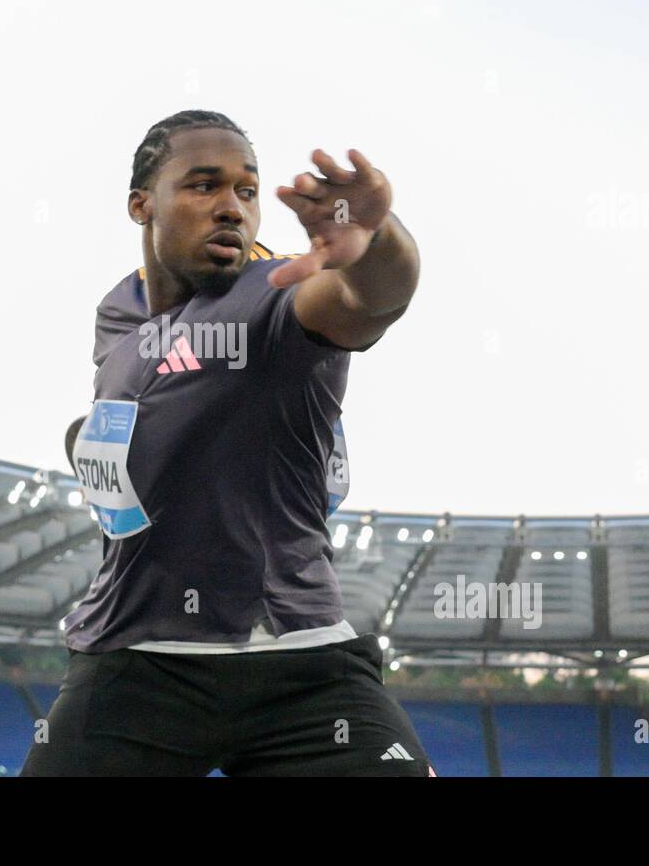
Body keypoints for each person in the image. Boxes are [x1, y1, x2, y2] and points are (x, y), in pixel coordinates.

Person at [22, 109, 431, 776]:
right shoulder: (118, 313)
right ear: (140, 205)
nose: (232, 208)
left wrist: (375, 239)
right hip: (136, 660)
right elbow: (145, 420)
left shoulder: (277, 294)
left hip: (301, 663)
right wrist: (93, 445)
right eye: (203, 185)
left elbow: (372, 299)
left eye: (246, 190)